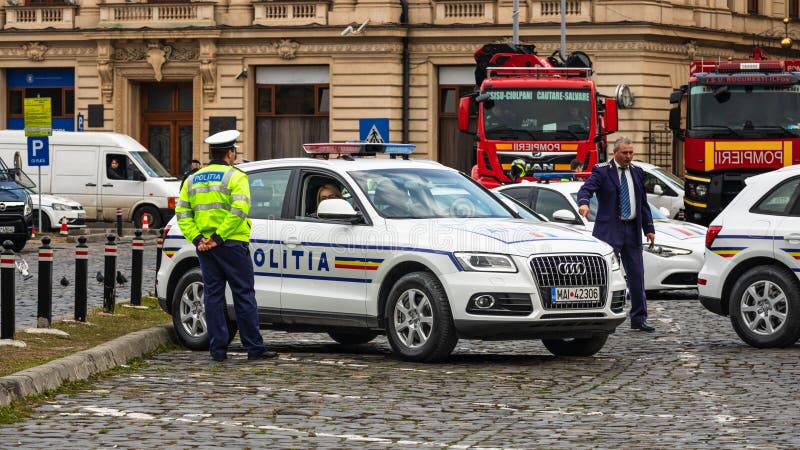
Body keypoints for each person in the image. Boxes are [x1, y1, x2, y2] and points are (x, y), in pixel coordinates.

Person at [175, 129, 277, 362]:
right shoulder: (236, 177)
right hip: (231, 244)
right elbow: (239, 210)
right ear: (230, 153)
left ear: (212, 153)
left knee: (213, 296)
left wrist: (198, 239)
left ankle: (218, 351)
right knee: (243, 294)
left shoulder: (192, 179)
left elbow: (182, 213)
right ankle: (254, 348)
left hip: (205, 248)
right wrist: (219, 237)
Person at [577, 136, 656, 332]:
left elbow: (643, 203)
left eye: (631, 153)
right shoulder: (602, 170)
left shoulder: (637, 172)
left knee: (637, 275)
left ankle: (639, 318)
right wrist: (584, 203)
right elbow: (586, 189)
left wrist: (649, 228)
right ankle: (601, 318)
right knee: (606, 275)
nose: (628, 156)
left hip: (632, 230)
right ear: (615, 153)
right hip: (609, 231)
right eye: (625, 153)